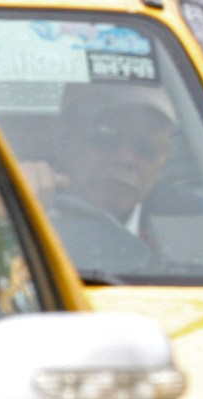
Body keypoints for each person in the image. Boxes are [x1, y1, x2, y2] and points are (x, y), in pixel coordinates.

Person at [25, 80, 181, 273]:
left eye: (148, 146)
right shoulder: (20, 200)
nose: (126, 159)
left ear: (163, 160)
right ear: (62, 142)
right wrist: (10, 203)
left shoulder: (195, 222)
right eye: (104, 137)